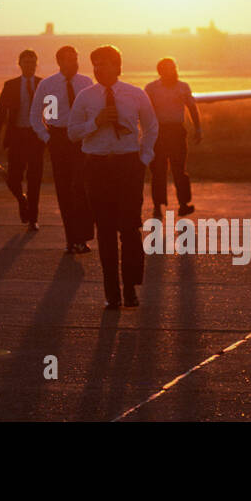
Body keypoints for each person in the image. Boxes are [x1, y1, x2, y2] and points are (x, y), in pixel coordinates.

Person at [68, 45, 158, 309]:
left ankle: (130, 288)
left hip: (128, 165)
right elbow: (73, 133)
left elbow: (151, 126)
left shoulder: (135, 94)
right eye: (95, 63)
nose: (99, 68)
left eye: (105, 63)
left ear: (118, 66)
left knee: (129, 228)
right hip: (97, 167)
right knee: (105, 231)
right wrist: (94, 123)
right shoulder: (86, 97)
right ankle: (112, 294)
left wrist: (144, 158)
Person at [30, 45, 95, 253]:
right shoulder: (48, 85)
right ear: (60, 62)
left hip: (81, 140)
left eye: (76, 58)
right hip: (58, 138)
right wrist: (47, 137)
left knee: (82, 187)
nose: (74, 63)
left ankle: (83, 236)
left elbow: (94, 110)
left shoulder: (86, 83)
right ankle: (71, 238)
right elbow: (36, 115)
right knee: (65, 188)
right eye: (69, 59)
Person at [0, 49, 44, 229]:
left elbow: (52, 110)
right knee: (13, 178)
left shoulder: (44, 85)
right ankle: (22, 200)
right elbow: (0, 110)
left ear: (36, 65)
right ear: (19, 64)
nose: (29, 66)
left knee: (34, 178)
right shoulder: (10, 85)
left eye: (32, 62)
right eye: (26, 62)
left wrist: (51, 132)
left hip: (35, 136)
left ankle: (32, 219)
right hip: (17, 136)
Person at [144, 57, 202, 219]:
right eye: (168, 69)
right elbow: (145, 112)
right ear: (160, 72)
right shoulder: (151, 88)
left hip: (177, 132)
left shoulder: (183, 87)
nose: (172, 72)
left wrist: (198, 128)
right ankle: (157, 206)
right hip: (159, 133)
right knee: (158, 171)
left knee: (179, 170)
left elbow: (192, 107)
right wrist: (146, 133)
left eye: (173, 68)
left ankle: (184, 204)